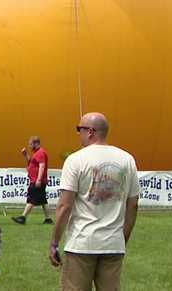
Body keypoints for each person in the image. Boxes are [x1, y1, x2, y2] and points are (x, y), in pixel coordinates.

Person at [50, 112, 140, 291]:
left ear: (90, 131)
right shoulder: (127, 159)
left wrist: (54, 242)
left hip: (81, 243)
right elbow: (133, 204)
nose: (78, 134)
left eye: (79, 129)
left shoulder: (75, 160)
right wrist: (122, 238)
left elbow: (64, 206)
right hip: (113, 244)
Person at [13, 136, 50, 225]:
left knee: (32, 198)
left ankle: (23, 217)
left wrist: (39, 179)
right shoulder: (36, 153)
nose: (29, 146)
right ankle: (48, 219)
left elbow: (42, 166)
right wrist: (25, 155)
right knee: (43, 200)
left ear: (36, 143)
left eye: (30, 144)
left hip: (37, 181)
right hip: (37, 180)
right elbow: (31, 163)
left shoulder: (40, 153)